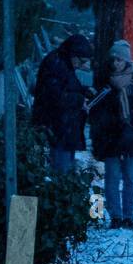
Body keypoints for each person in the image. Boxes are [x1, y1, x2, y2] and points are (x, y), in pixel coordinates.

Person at [89, 40, 133, 229]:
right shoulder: (104, 79)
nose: (116, 63)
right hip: (112, 137)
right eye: (114, 59)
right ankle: (115, 216)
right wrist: (113, 124)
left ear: (126, 60)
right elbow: (98, 110)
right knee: (112, 178)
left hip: (132, 136)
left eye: (119, 59)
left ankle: (128, 216)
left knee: (131, 179)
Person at [31, 33, 95, 173]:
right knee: (61, 171)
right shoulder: (56, 64)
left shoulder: (62, 63)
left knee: (64, 169)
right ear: (73, 54)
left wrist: (84, 91)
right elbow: (55, 96)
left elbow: (65, 88)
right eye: (81, 60)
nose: (82, 65)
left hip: (63, 128)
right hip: (57, 128)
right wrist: (79, 100)